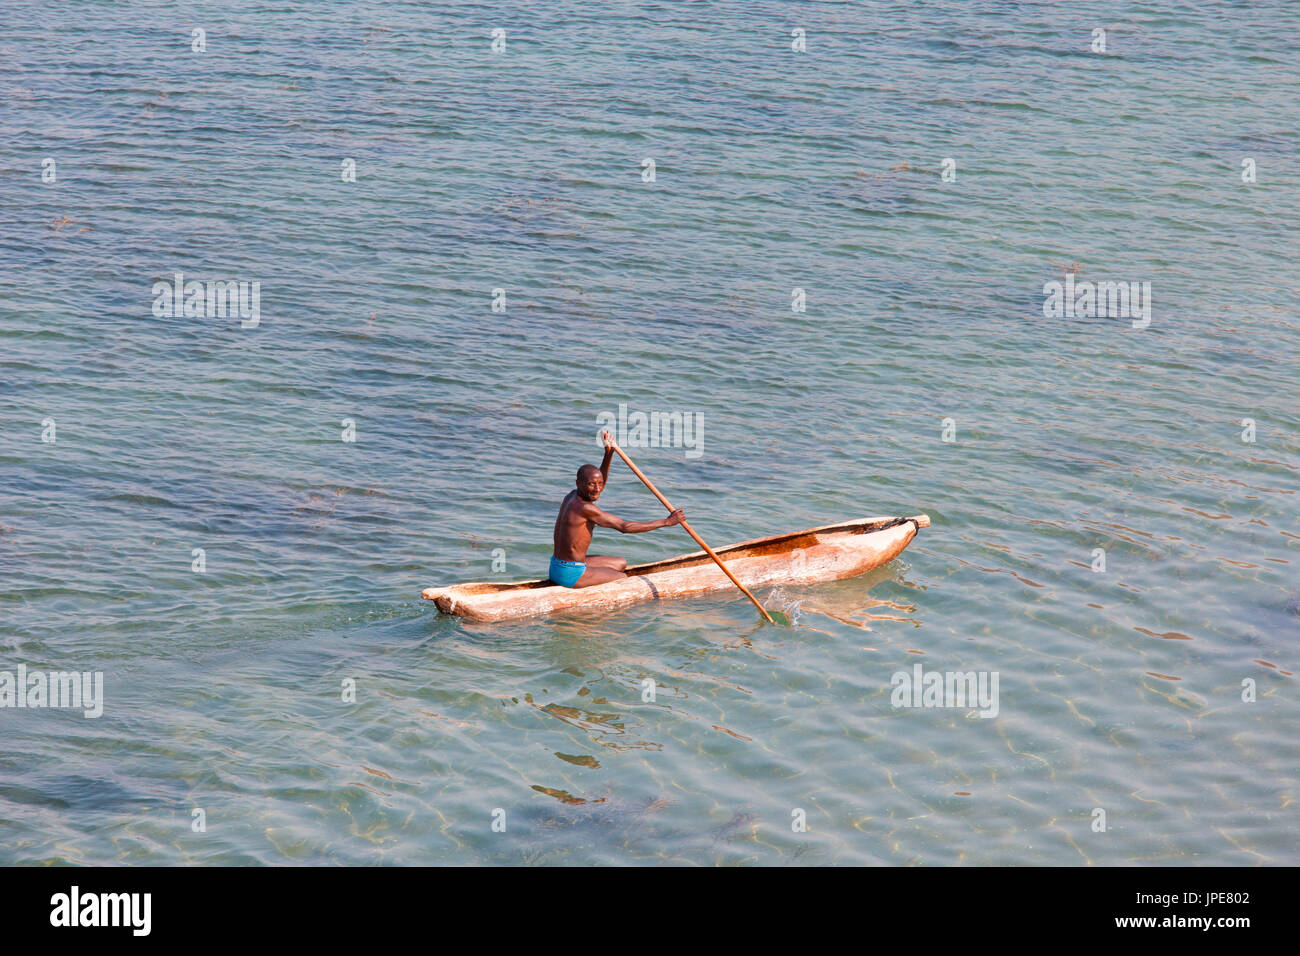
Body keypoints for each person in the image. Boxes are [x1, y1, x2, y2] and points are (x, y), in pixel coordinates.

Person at [549, 431, 684, 588]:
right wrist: (666, 522)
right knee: (622, 577)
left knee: (621, 563)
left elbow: (599, 481)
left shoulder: (572, 496)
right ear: (579, 483)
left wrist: (608, 454)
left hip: (556, 566)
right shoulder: (586, 508)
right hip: (569, 574)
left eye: (599, 484)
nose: (597, 489)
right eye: (592, 484)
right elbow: (624, 527)